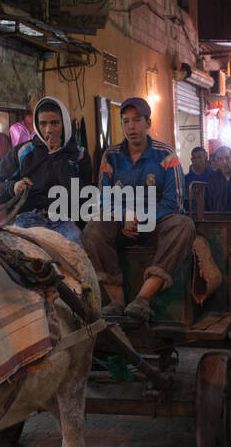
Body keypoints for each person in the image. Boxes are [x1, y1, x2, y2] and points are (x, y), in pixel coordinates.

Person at [82, 97, 195, 320]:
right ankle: (116, 301)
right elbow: (104, 199)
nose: (131, 127)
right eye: (126, 121)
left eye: (137, 120)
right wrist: (123, 217)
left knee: (184, 225)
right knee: (93, 229)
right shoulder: (110, 156)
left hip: (156, 226)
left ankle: (143, 299)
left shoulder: (166, 155)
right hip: (121, 226)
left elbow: (174, 203)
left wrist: (142, 218)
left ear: (148, 123)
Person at [0, 96, 84, 244]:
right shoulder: (23, 152)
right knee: (18, 255)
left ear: (64, 124)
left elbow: (83, 199)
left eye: (55, 123)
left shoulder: (78, 154)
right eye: (43, 124)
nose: (49, 130)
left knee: (75, 250)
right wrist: (13, 187)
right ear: (37, 126)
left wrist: (57, 157)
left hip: (63, 221)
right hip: (27, 220)